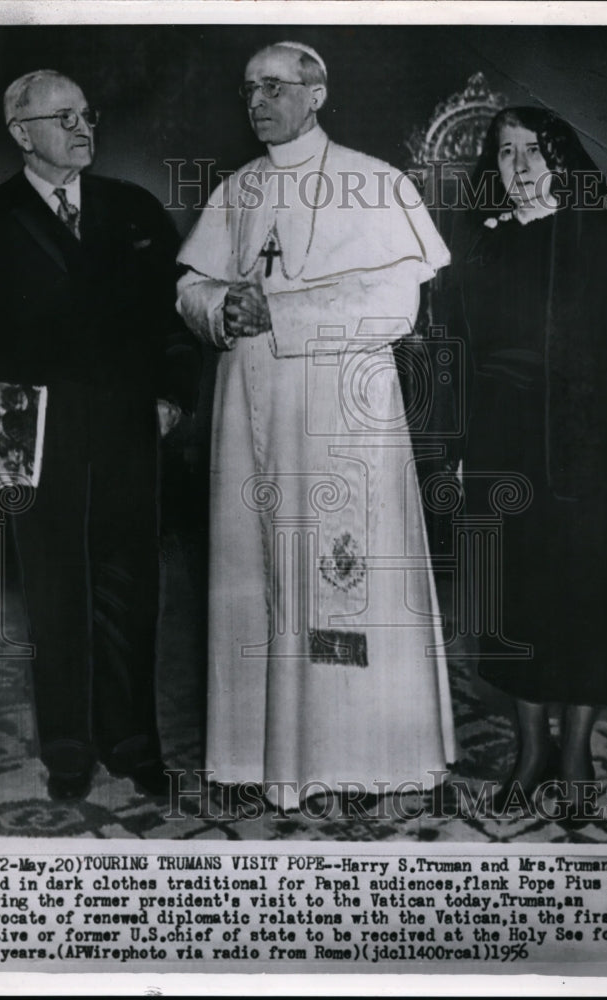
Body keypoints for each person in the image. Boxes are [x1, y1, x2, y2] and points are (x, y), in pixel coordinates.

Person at [176, 41, 456, 810]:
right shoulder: (236, 188)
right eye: (248, 90)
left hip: (342, 417)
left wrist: (280, 310)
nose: (256, 102)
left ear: (317, 93)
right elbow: (192, 284)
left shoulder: (374, 183)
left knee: (344, 582)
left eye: (273, 87)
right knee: (257, 578)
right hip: (248, 409)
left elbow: (395, 307)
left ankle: (360, 758)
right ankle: (257, 755)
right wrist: (218, 307)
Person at [0, 70, 198, 801]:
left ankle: (133, 743)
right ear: (20, 133)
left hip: (127, 425)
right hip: (30, 429)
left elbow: (172, 315)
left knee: (131, 587)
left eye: (85, 114)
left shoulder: (133, 207)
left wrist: (172, 395)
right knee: (55, 590)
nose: (82, 127)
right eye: (61, 118)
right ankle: (68, 750)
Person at [452, 107, 607, 818]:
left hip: (585, 453)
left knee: (586, 604)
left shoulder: (603, 232)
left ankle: (576, 756)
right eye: (504, 152)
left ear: (560, 157)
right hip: (501, 451)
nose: (519, 165)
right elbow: (457, 348)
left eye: (532, 150)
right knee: (514, 602)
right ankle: (532, 750)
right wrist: (457, 451)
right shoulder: (482, 239)